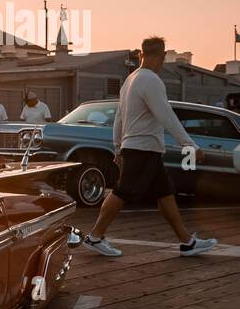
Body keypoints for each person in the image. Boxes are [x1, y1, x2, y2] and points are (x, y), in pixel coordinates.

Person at [82, 37, 216, 258]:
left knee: (165, 193)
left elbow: (119, 118)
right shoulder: (151, 81)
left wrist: (117, 147)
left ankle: (187, 242)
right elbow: (167, 116)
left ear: (142, 54)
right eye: (164, 58)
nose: (163, 62)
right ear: (161, 56)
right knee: (122, 191)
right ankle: (95, 236)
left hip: (143, 148)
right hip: (142, 148)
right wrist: (190, 144)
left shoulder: (130, 80)